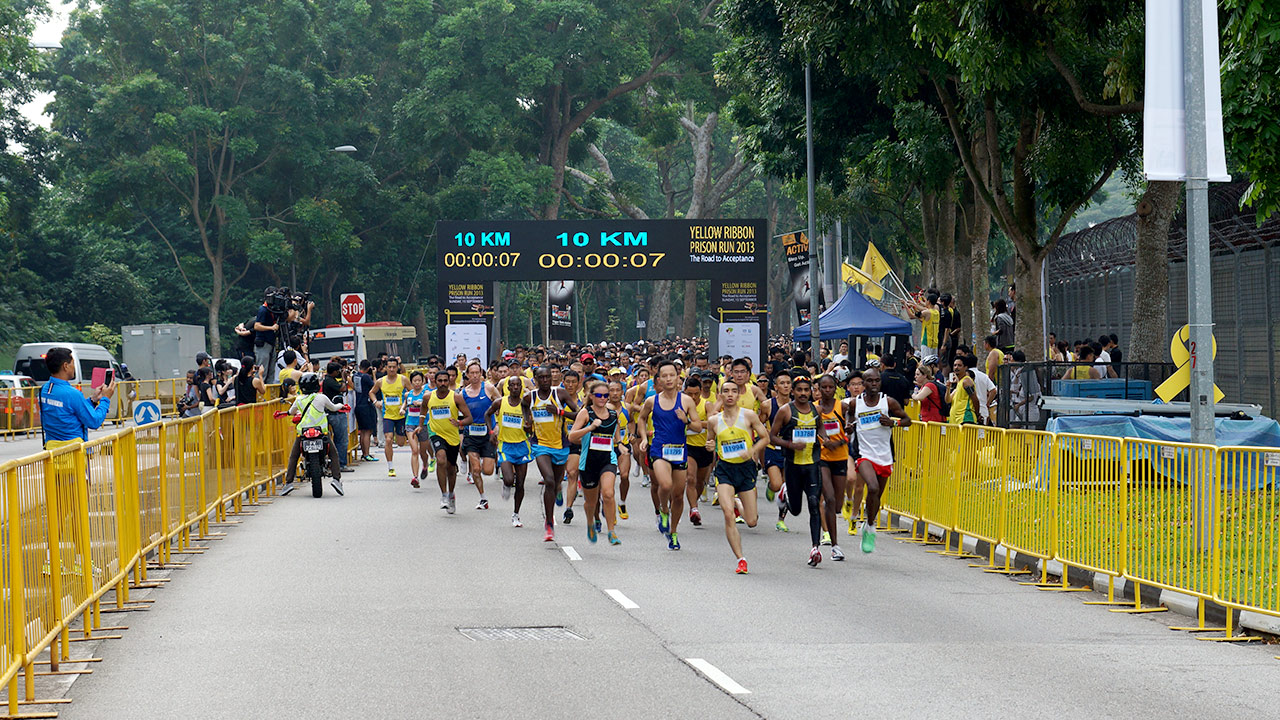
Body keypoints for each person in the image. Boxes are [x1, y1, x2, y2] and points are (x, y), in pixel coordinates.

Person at [704, 379, 769, 574]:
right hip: (725, 470)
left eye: (734, 391)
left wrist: (752, 450)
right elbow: (710, 442)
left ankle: (739, 503)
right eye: (726, 391)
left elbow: (765, 437)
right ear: (721, 396)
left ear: (739, 395)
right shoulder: (714, 421)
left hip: (746, 469)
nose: (730, 394)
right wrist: (709, 446)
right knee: (727, 514)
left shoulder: (748, 416)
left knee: (752, 521)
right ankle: (741, 559)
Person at [636, 359, 702, 551]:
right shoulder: (652, 401)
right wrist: (643, 438)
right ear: (658, 380)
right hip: (659, 449)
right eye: (664, 376)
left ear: (678, 377)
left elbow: (698, 427)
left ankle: (673, 533)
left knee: (679, 495)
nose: (668, 379)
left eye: (672, 375)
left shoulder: (686, 401)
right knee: (665, 484)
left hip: (679, 451)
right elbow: (641, 418)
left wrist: (687, 420)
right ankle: (663, 510)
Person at [769, 374, 828, 567]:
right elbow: (772, 437)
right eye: (799, 390)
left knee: (813, 503)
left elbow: (820, 428)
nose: (803, 393)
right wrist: (790, 445)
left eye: (806, 390)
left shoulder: (816, 409)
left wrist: (824, 438)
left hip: (812, 464)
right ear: (793, 392)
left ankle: (815, 548)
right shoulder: (786, 411)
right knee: (795, 510)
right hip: (793, 465)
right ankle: (784, 494)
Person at [851, 368, 911, 553]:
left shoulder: (888, 402)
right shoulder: (856, 403)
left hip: (885, 455)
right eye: (870, 381)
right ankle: (868, 523)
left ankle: (869, 525)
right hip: (864, 454)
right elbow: (848, 419)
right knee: (873, 487)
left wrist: (894, 423)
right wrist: (848, 427)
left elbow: (907, 419)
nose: (874, 384)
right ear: (864, 383)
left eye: (877, 380)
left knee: (876, 496)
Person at [567, 380, 623, 545]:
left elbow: (615, 430)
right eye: (599, 395)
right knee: (591, 502)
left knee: (608, 493)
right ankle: (591, 522)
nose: (603, 398)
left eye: (606, 396)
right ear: (591, 396)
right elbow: (572, 436)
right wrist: (590, 428)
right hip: (588, 462)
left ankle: (611, 531)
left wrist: (620, 444)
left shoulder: (613, 414)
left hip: (607, 459)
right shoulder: (586, 413)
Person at [530, 367, 577, 541]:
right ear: (535, 379)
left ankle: (558, 488)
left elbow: (579, 414)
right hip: (540, 445)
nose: (545, 380)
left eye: (547, 377)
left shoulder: (561, 394)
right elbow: (523, 410)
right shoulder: (531, 397)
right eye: (541, 377)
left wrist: (559, 411)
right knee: (548, 480)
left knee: (556, 482)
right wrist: (528, 422)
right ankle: (549, 523)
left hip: (561, 445)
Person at [281, 373, 346, 497]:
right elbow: (333, 408)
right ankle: (336, 480)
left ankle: (288, 483)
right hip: (321, 432)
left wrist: (287, 412)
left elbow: (291, 411)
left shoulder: (298, 399)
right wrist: (341, 405)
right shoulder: (321, 398)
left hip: (303, 433)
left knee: (294, 456)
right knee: (333, 454)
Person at [38, 347, 117, 449]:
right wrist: (106, 399)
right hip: (74, 454)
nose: (74, 367)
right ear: (65, 366)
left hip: (52, 453)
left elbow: (69, 411)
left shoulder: (44, 390)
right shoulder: (72, 394)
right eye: (73, 363)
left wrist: (93, 400)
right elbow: (94, 421)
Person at [487, 376, 534, 527]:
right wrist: (491, 432)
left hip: (522, 446)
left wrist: (529, 428)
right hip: (505, 446)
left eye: (518, 385)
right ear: (507, 388)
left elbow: (530, 426)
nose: (515, 387)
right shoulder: (500, 402)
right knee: (508, 479)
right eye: (512, 385)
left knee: (520, 483)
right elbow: (487, 414)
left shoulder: (525, 404)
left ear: (521, 387)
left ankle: (516, 514)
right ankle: (506, 485)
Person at [425, 368, 473, 514]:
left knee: (451, 469)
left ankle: (451, 494)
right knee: (440, 460)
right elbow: (422, 410)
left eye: (446, 380)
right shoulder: (428, 397)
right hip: (435, 432)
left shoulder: (456, 397)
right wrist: (420, 425)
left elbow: (469, 418)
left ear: (450, 381)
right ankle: (444, 495)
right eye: (440, 381)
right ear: (435, 381)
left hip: (452, 437)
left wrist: (459, 423)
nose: (443, 383)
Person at [815, 375, 848, 560]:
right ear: (819, 388)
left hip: (840, 456)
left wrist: (841, 440)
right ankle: (835, 546)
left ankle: (833, 515)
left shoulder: (842, 406)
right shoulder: (814, 407)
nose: (827, 390)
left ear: (835, 388)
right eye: (824, 387)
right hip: (821, 457)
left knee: (836, 505)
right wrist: (823, 440)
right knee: (828, 498)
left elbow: (850, 428)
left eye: (830, 387)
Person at [460, 362, 498, 509]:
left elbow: (501, 404)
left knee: (487, 471)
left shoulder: (488, 388)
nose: (475, 376)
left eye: (478, 373)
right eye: (472, 373)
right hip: (471, 434)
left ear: (481, 374)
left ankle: (494, 460)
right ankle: (483, 498)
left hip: (488, 433)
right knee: (476, 469)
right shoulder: (463, 393)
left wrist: (497, 426)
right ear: (468, 375)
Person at [761, 371, 792, 532]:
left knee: (787, 488)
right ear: (776, 386)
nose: (785, 386)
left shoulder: (796, 405)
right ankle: (771, 487)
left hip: (790, 450)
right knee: (777, 484)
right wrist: (765, 434)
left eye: (788, 383)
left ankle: (781, 519)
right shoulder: (767, 405)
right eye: (782, 383)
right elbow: (759, 423)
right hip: (772, 449)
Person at [370, 357, 410, 477]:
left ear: (397, 367)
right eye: (389, 367)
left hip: (401, 415)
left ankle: (399, 439)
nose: (392, 369)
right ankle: (390, 467)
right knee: (388, 439)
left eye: (394, 367)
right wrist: (376, 402)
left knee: (401, 442)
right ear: (386, 368)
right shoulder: (381, 381)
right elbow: (371, 392)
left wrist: (406, 405)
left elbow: (412, 393)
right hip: (387, 415)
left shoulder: (403, 379)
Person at [682, 375, 712, 527]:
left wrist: (694, 424)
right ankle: (694, 509)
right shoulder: (681, 405)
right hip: (688, 447)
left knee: (700, 482)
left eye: (696, 394)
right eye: (689, 394)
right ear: (684, 392)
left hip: (705, 447)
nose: (693, 397)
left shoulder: (707, 405)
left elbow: (713, 422)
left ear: (700, 391)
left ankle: (694, 503)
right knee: (691, 478)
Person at [322, 361, 350, 471]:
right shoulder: (329, 381)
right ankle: (341, 464)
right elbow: (342, 388)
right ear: (333, 372)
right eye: (338, 371)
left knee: (336, 439)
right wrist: (344, 378)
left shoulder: (330, 380)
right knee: (341, 440)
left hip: (333, 413)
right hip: (335, 414)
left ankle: (335, 463)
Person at [404, 371, 429, 485]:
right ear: (411, 382)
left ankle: (425, 464)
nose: (417, 383)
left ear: (423, 381)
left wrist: (421, 403)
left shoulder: (426, 393)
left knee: (423, 452)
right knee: (415, 450)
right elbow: (405, 404)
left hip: (423, 424)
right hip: (410, 424)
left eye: (419, 380)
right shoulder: (408, 394)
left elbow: (429, 404)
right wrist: (402, 409)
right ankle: (415, 477)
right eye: (415, 381)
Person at [353, 360, 378, 462]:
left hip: (358, 405)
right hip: (366, 405)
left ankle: (364, 453)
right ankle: (367, 454)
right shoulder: (366, 377)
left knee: (363, 431)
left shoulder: (355, 375)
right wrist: (374, 375)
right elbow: (376, 386)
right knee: (368, 431)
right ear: (368, 368)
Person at [253, 291, 281, 383]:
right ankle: (260, 392)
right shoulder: (263, 310)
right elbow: (256, 326)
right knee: (262, 370)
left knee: (271, 371)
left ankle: (269, 391)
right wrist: (271, 328)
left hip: (271, 343)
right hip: (263, 343)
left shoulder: (273, 309)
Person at [946, 358, 980, 424]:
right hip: (956, 421)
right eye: (955, 365)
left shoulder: (966, 381)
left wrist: (977, 414)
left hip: (966, 419)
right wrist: (948, 388)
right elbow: (948, 400)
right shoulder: (959, 383)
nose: (956, 367)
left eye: (959, 365)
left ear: (965, 367)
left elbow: (975, 399)